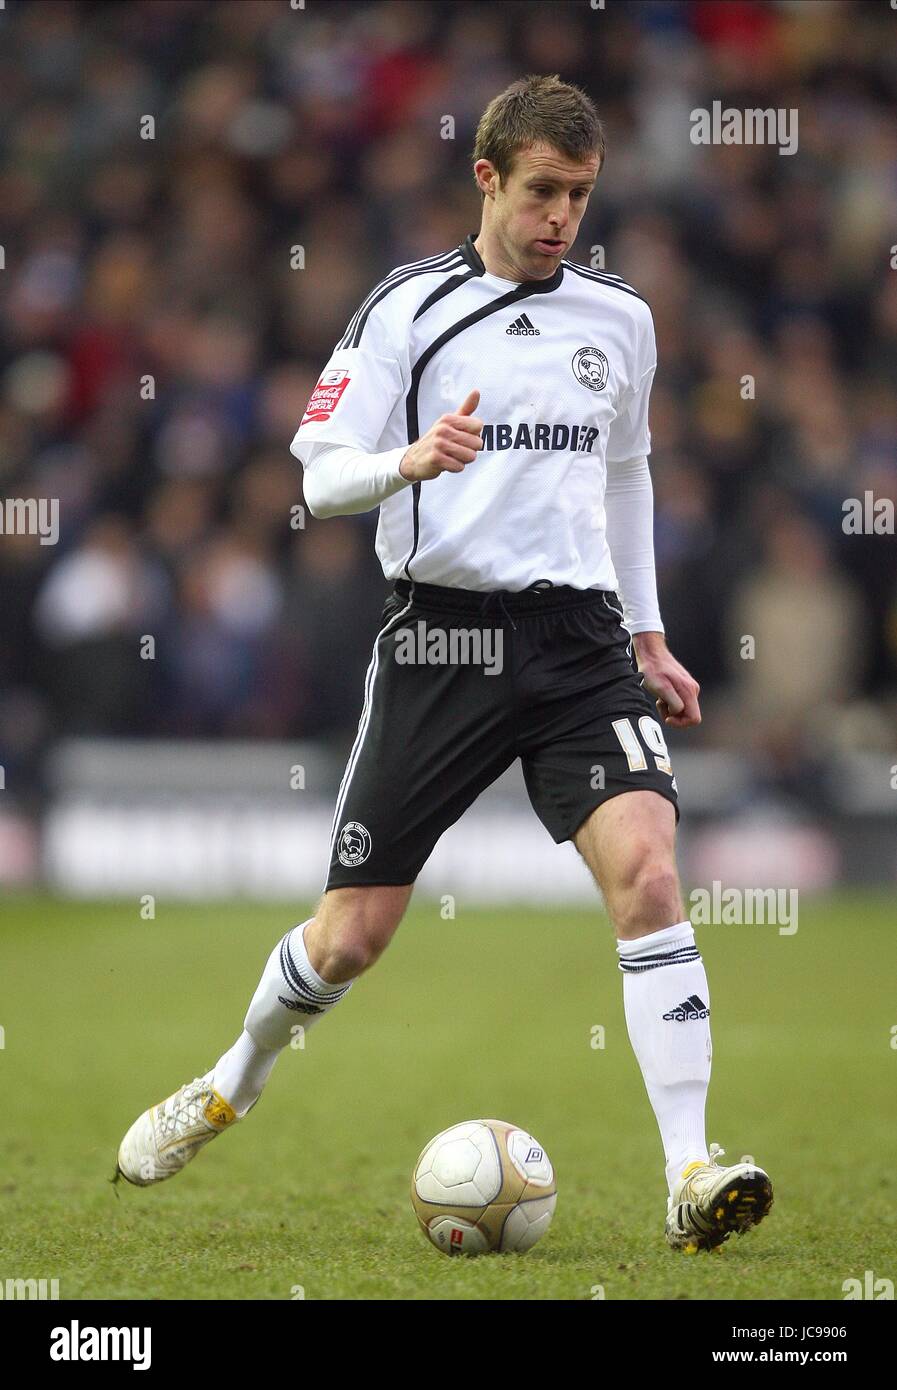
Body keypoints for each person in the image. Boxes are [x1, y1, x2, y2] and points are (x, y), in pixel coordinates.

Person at [117, 74, 772, 1254]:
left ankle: (689, 1169)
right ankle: (230, 1080)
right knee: (351, 935)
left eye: (579, 194)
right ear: (486, 178)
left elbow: (626, 473)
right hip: (442, 639)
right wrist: (410, 462)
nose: (561, 216)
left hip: (578, 645)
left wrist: (649, 630)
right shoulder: (407, 310)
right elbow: (316, 479)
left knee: (654, 877)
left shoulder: (621, 319)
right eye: (541, 192)